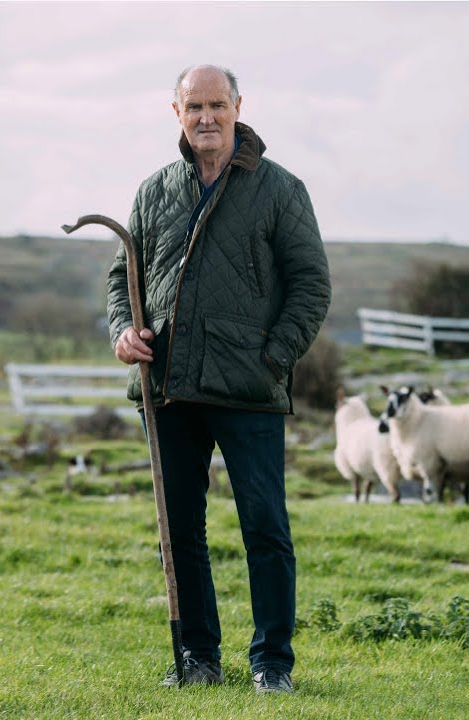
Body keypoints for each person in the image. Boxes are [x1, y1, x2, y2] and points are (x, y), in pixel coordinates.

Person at [106, 64, 331, 695]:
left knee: (264, 526)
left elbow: (312, 285)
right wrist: (124, 330)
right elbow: (120, 277)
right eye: (193, 106)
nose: (206, 117)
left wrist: (273, 358)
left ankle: (271, 665)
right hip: (169, 388)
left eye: (217, 105)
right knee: (179, 533)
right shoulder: (154, 192)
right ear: (175, 113)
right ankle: (196, 659)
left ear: (238, 107)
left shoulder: (280, 190)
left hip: (249, 392)